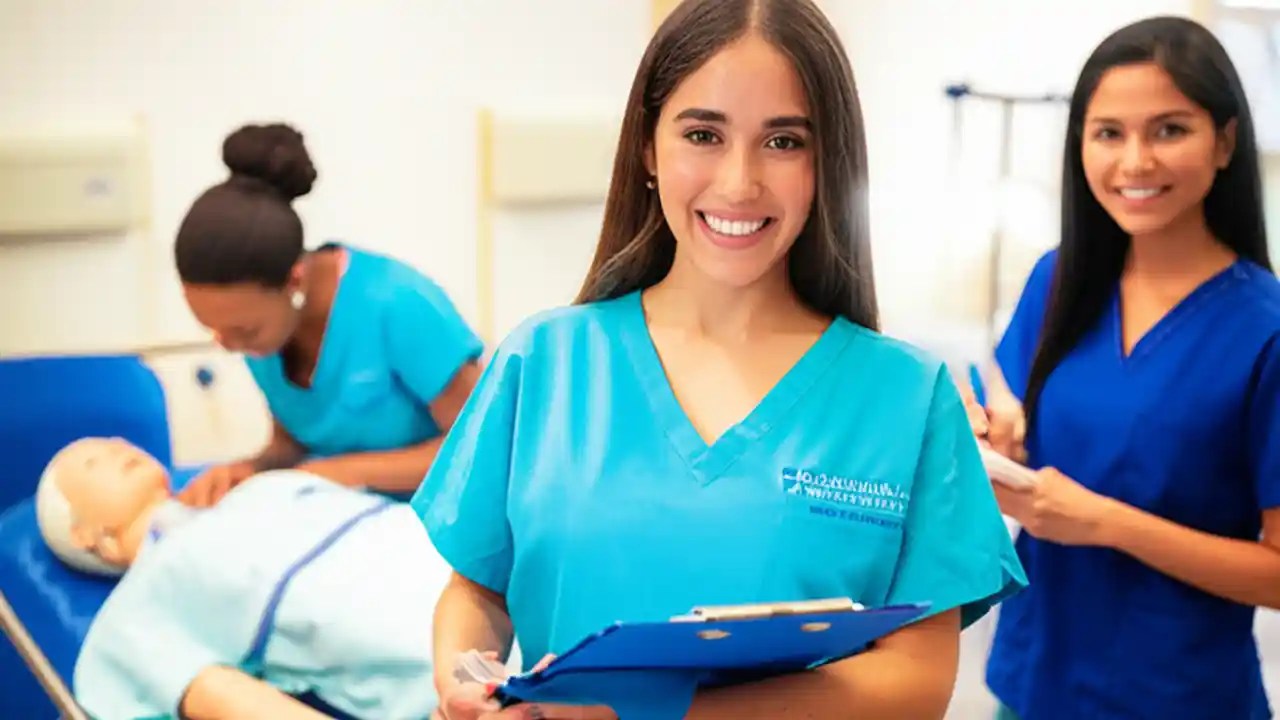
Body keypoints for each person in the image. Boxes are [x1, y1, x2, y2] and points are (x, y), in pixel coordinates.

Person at [413, 1, 1027, 718]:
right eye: (703, 134)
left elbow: (915, 683)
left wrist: (641, 716)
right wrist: (463, 677)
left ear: (826, 163)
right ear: (648, 149)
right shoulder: (544, 361)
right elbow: (478, 590)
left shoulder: (908, 398)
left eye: (783, 142)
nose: (739, 182)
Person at [978, 16, 1280, 720]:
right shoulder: (1058, 281)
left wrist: (1107, 523)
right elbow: (1005, 407)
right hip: (1031, 685)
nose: (1135, 161)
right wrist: (993, 434)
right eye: (1109, 133)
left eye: (1169, 130)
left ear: (1225, 141)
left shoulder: (1264, 331)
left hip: (1180, 699)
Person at [172, 123, 483, 505]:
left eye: (244, 330)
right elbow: (296, 439)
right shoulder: (262, 335)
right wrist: (251, 470)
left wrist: (342, 473)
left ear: (293, 281)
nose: (229, 345)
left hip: (439, 518)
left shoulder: (396, 302)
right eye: (213, 329)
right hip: (343, 514)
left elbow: (483, 447)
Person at [36, 436, 453, 720]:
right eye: (93, 462)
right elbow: (230, 701)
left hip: (455, 561)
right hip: (427, 642)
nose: (117, 446)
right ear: (84, 535)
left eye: (115, 443)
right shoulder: (131, 613)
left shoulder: (260, 489)